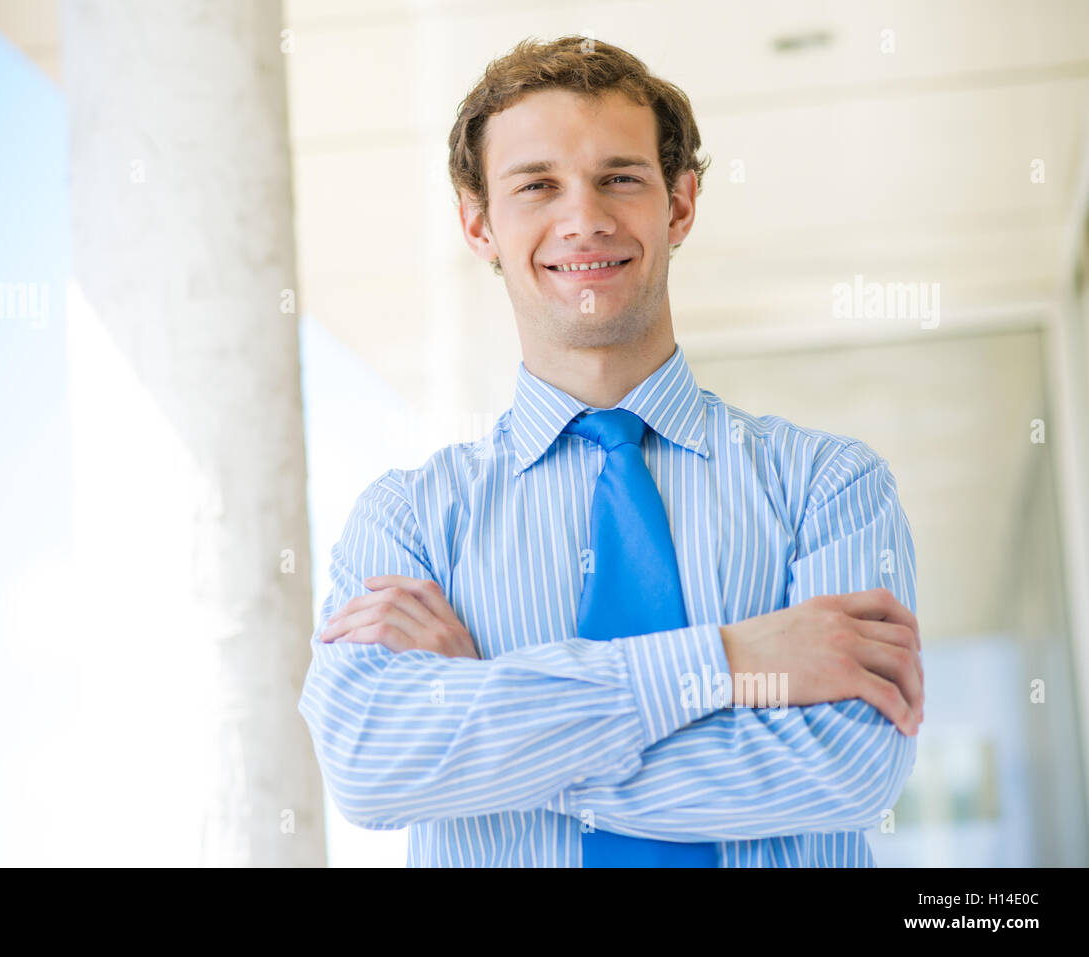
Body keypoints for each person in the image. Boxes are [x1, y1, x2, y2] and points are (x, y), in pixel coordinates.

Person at [298, 35, 923, 867]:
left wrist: (492, 707)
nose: (584, 217)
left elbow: (846, 770)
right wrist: (727, 660)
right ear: (478, 221)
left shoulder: (829, 487)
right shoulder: (410, 522)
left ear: (680, 206)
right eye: (537, 185)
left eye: (620, 178)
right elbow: (372, 767)